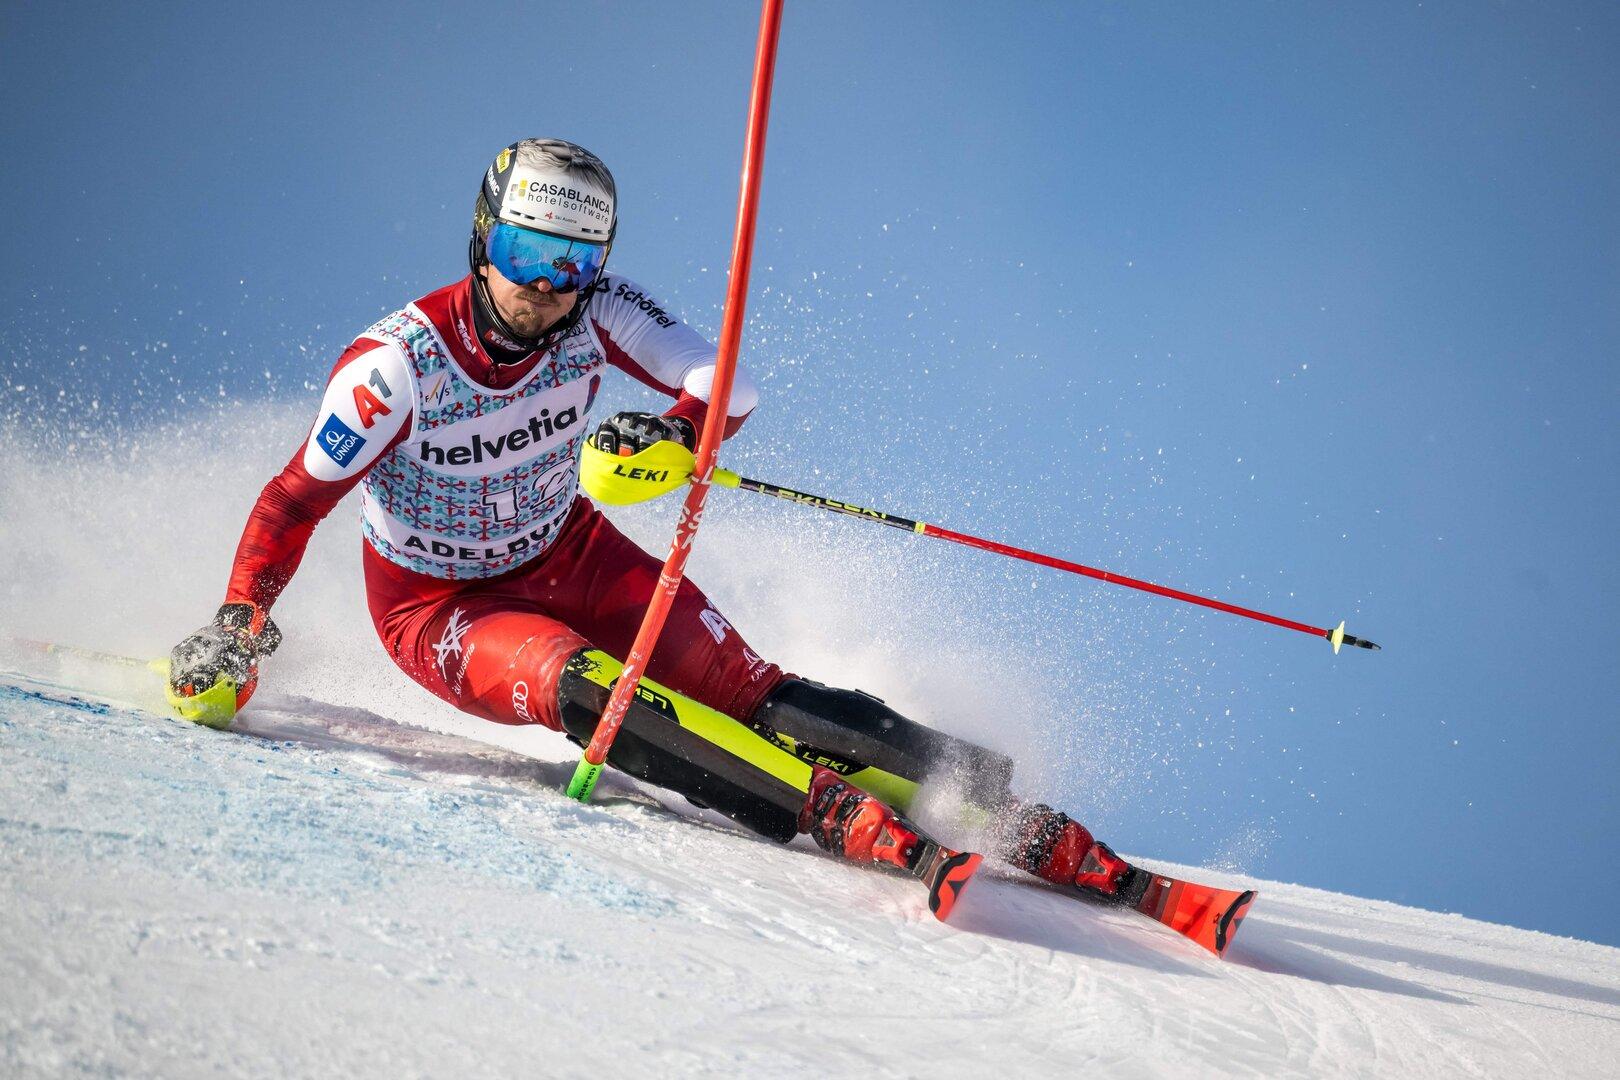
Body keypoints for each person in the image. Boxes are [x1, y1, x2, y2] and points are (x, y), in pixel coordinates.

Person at [168, 138, 1133, 900]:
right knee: (585, 684)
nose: (546, 287)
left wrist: (668, 429)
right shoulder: (394, 367)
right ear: (481, 239)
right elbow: (294, 499)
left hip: (574, 551)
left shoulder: (598, 311)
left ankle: (998, 805)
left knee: (749, 688)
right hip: (443, 605)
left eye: (573, 263)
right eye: (524, 254)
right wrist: (239, 619)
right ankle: (831, 814)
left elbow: (728, 385)